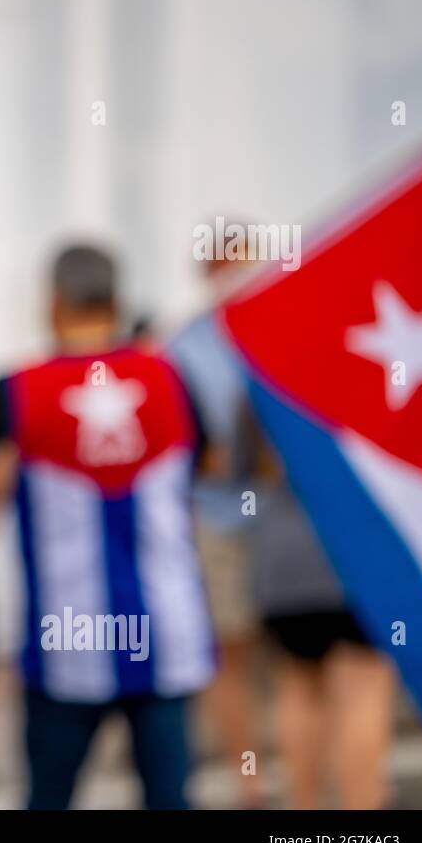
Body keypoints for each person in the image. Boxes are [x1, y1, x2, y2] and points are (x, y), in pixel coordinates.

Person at [0, 243, 216, 809]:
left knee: (49, 797)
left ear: (53, 302)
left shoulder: (15, 389)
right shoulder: (169, 375)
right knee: (170, 798)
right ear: (117, 300)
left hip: (65, 641)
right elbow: (209, 465)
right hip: (168, 632)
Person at [233, 402, 395, 809]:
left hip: (284, 560)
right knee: (363, 685)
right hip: (359, 557)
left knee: (299, 686)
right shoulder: (366, 372)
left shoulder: (261, 380)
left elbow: (239, 469)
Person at [166, 230, 264, 807]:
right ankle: (248, 778)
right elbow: (188, 443)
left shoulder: (286, 327)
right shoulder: (185, 346)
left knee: (313, 656)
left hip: (282, 519)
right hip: (216, 515)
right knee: (229, 647)